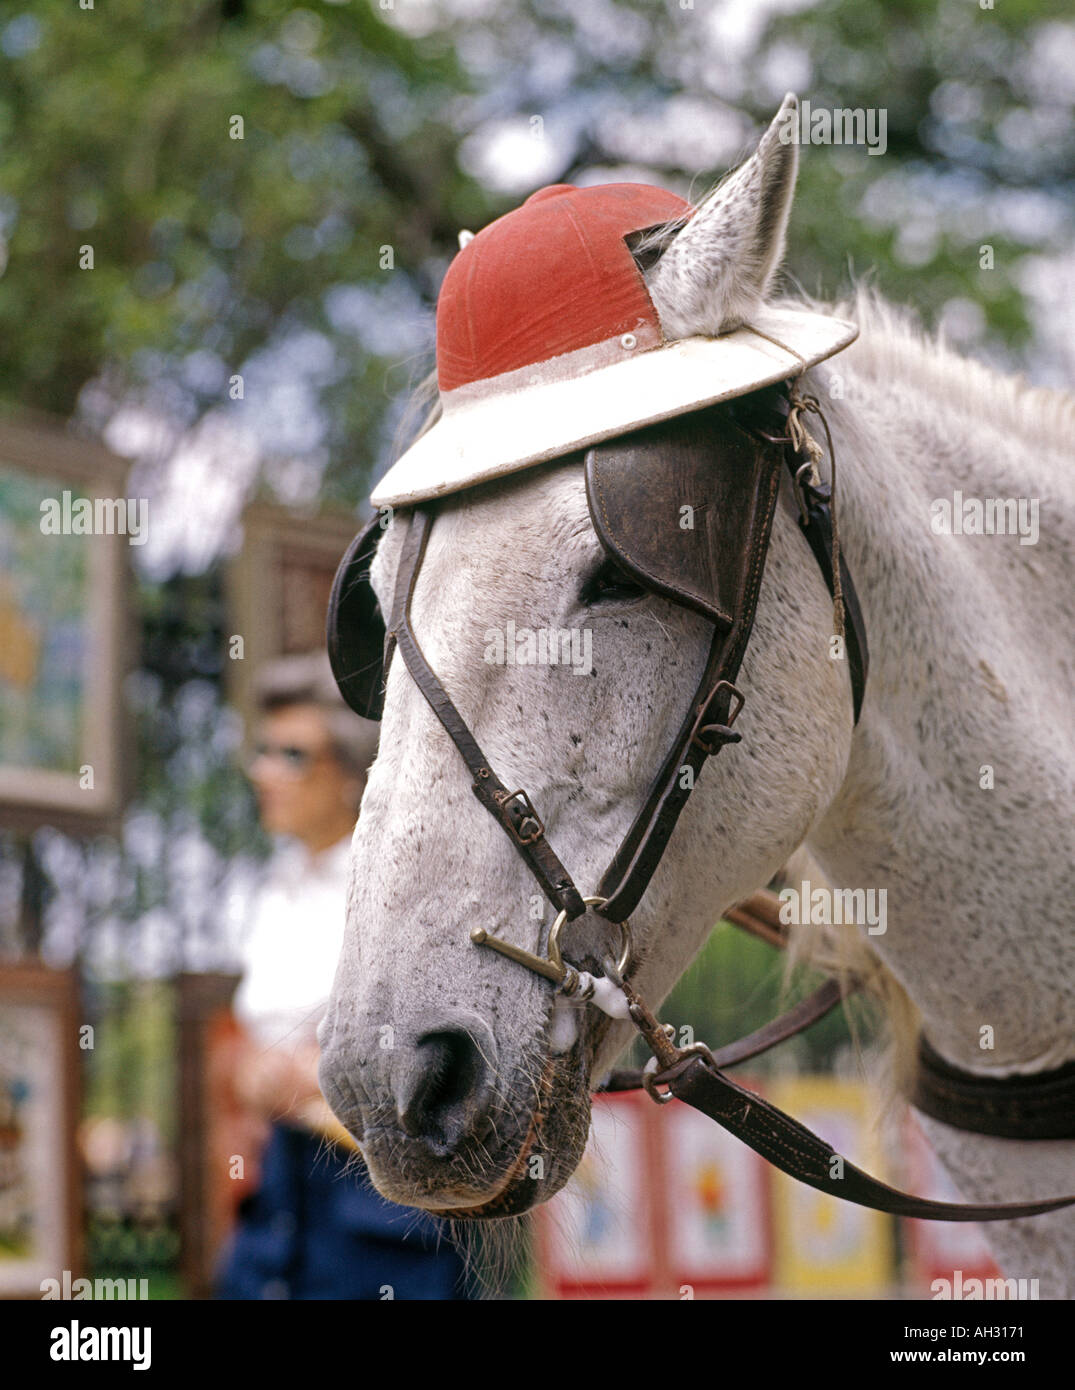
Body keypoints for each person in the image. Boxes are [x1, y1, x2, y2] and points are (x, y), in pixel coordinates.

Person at [214, 651, 473, 1300]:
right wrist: (256, 1074)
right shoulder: (272, 891)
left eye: (293, 755)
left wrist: (327, 1080)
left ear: (350, 776)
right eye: (262, 750)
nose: (264, 773)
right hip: (280, 1191)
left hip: (380, 1205)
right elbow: (256, 1043)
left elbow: (458, 1062)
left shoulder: (407, 895)